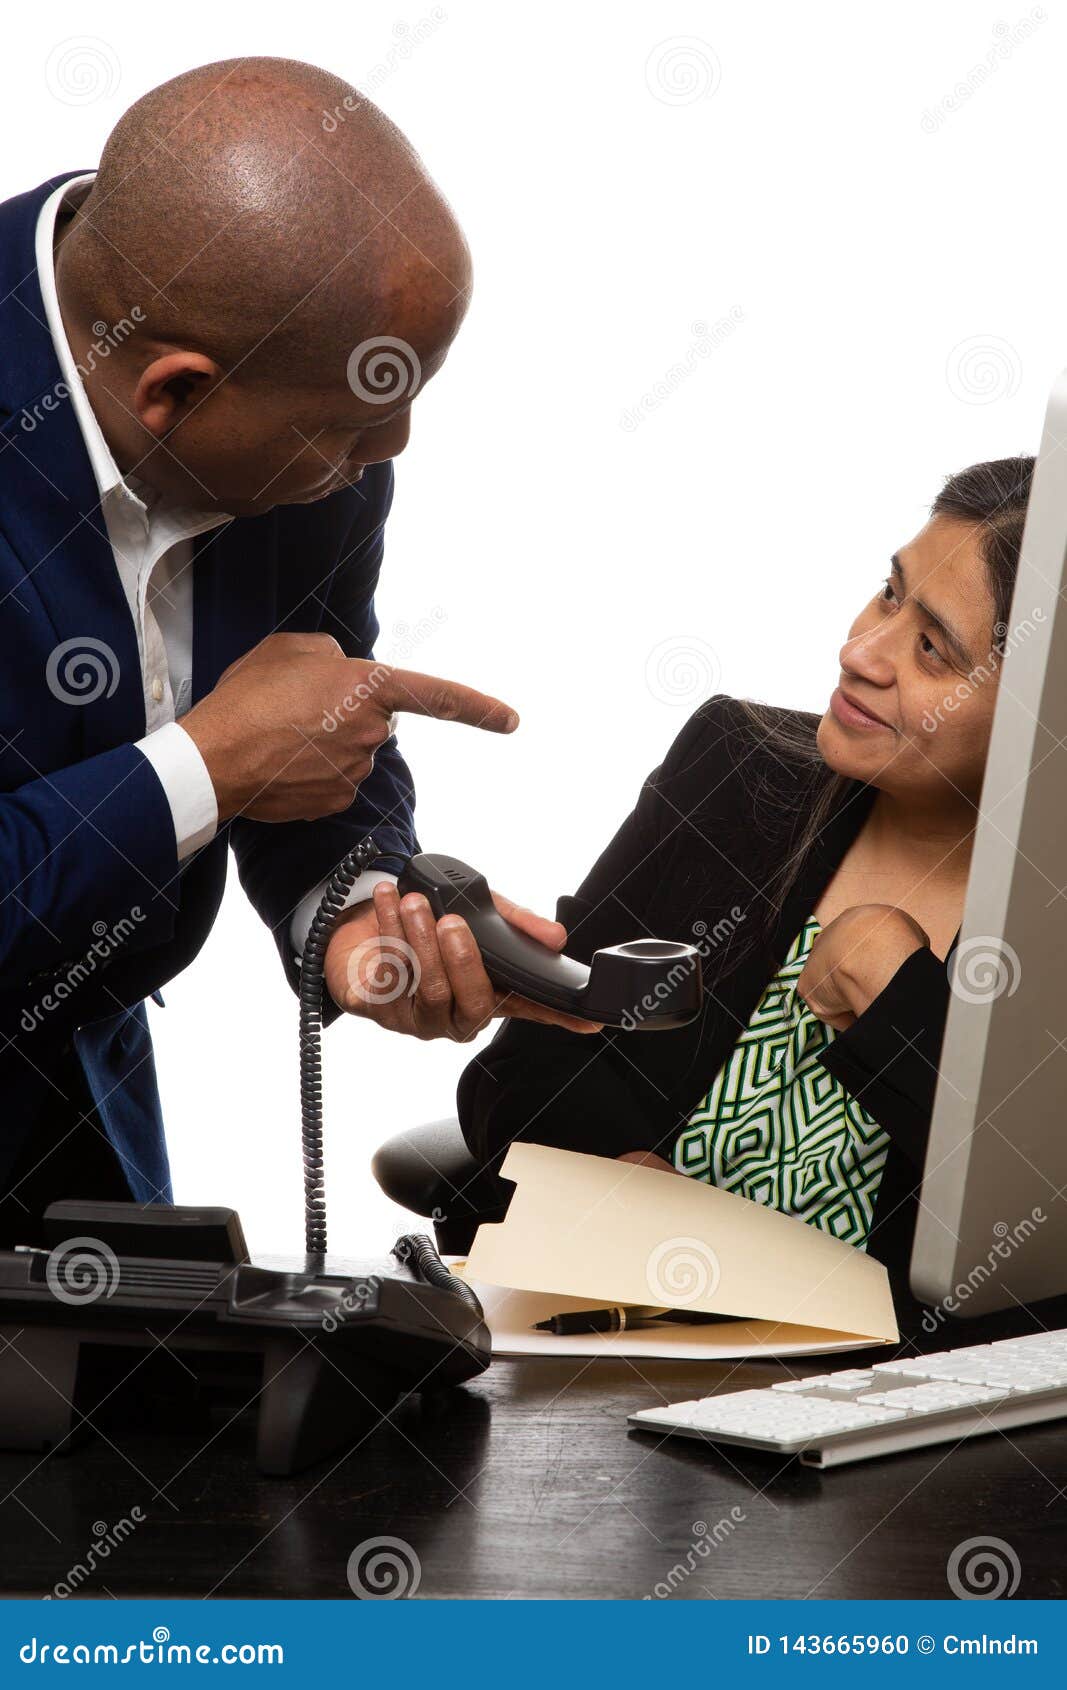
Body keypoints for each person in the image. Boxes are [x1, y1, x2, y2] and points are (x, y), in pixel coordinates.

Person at [0, 58, 597, 1246]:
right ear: (173, 389)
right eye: (347, 430)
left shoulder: (312, 396)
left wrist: (357, 896)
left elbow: (308, 718)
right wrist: (206, 766)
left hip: (88, 1140)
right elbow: (241, 746)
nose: (389, 453)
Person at [456, 456, 1034, 1295]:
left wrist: (896, 998)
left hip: (887, 1399)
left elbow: (1028, 1248)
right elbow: (527, 1073)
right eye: (886, 592)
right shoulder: (737, 773)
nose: (859, 650)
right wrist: (618, 1184)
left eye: (931, 649)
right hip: (621, 1344)